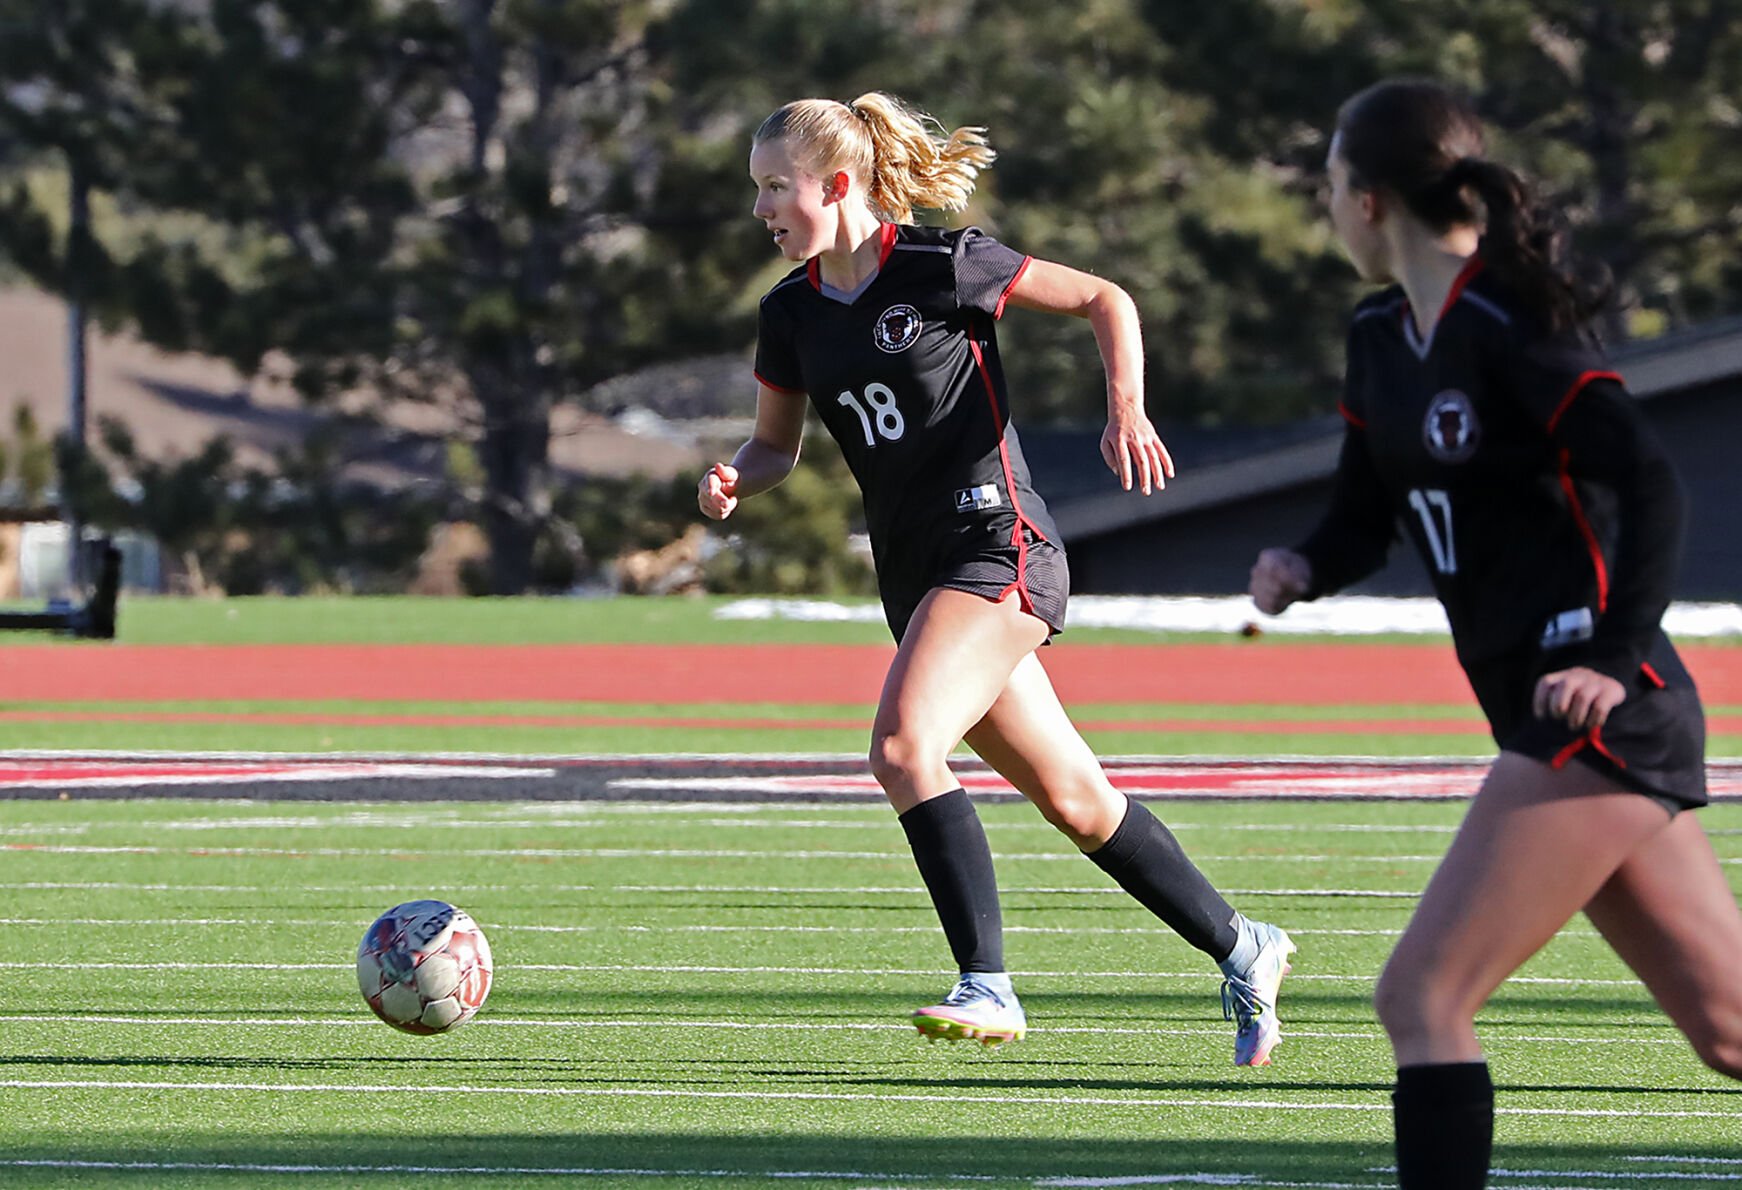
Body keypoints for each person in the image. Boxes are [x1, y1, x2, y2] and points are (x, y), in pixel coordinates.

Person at [700, 91, 1294, 1064]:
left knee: (899, 747)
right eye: (755, 190)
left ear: (838, 185)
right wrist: (735, 476)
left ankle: (987, 982)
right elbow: (775, 447)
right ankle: (1242, 944)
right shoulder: (790, 314)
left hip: (999, 547)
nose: (761, 208)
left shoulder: (943, 263)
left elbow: (1106, 298)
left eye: (776, 186)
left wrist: (1126, 411)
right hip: (917, 578)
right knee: (1075, 798)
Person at [1249, 78, 1742, 1185]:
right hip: (1555, 705)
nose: (1325, 210)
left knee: (1419, 993)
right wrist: (1301, 566)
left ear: (1369, 201)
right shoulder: (1380, 332)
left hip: (1599, 709)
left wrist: (1609, 659)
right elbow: (1362, 513)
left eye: (1328, 188)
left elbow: (1650, 484)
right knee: (1729, 1035)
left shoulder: (1506, 328)